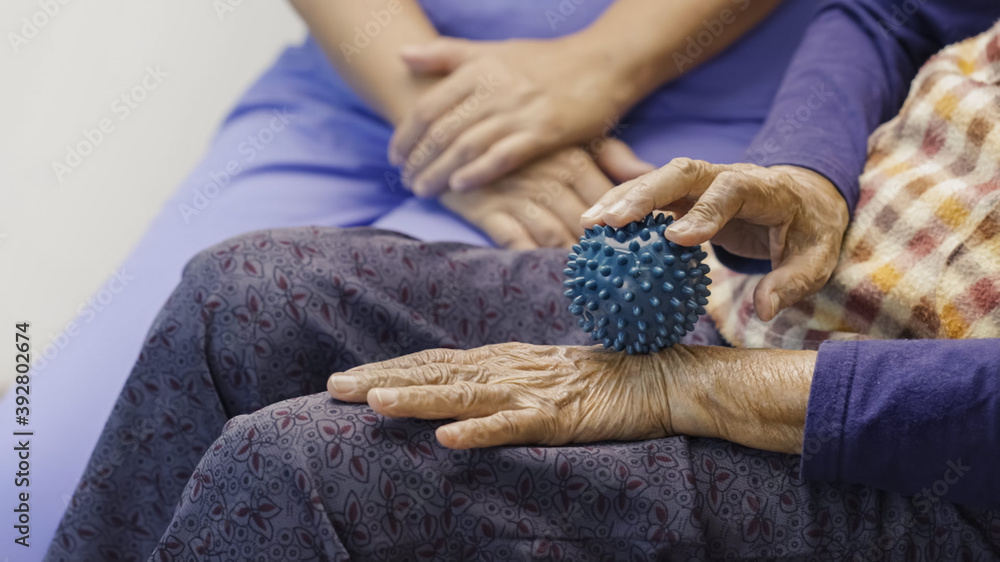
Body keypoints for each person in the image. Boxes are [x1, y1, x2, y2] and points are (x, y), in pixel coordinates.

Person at [46, 0, 1000, 560]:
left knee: (307, 465)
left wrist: (695, 389)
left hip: (922, 455)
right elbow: (898, 9)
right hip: (776, 297)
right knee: (244, 294)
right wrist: (804, 170)